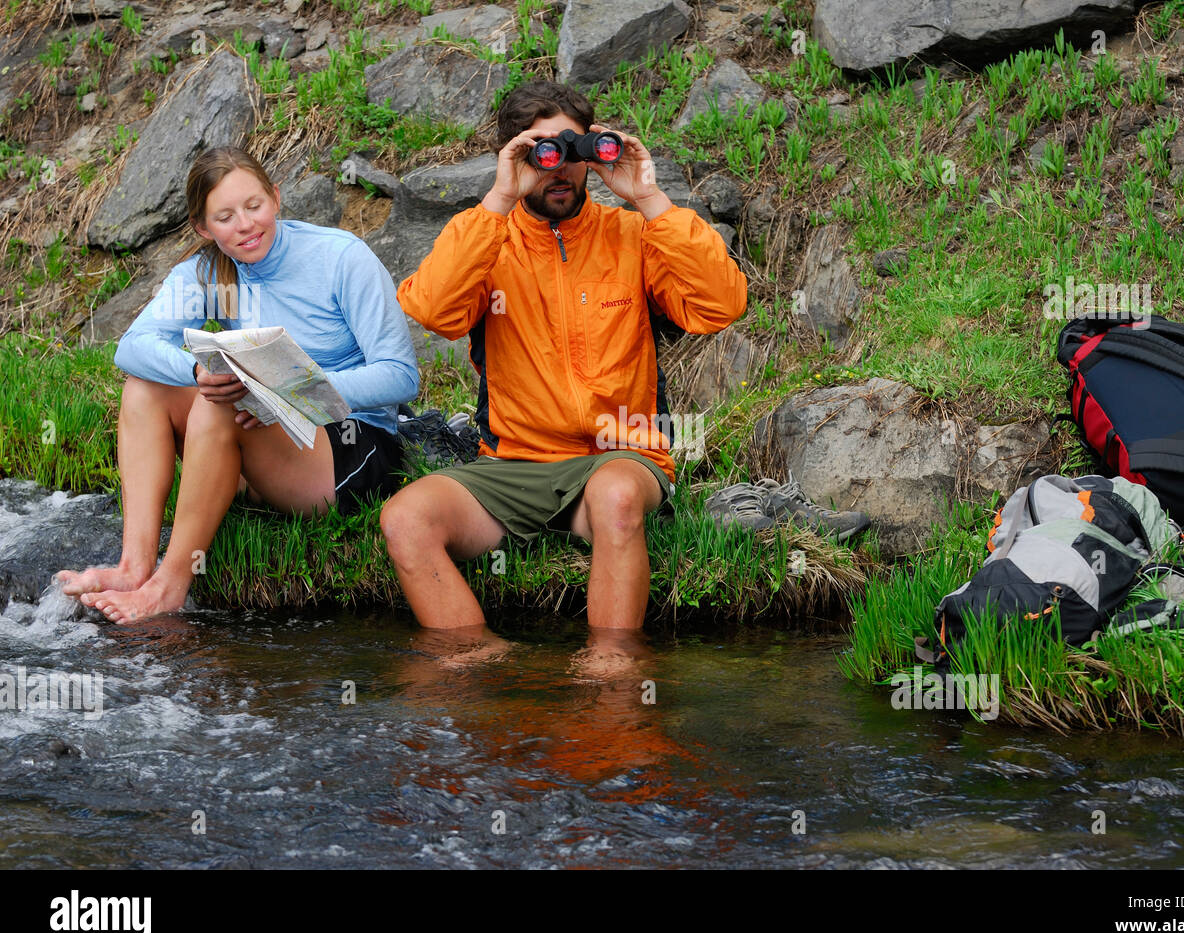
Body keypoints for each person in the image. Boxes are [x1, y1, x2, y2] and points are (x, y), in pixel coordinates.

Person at [382, 80, 747, 632]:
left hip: (619, 457)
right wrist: (500, 200)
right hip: (514, 464)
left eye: (571, 149)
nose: (560, 168)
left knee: (617, 496)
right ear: (514, 156)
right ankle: (476, 668)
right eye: (540, 151)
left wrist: (649, 198)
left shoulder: (632, 234)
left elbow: (720, 305)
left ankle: (612, 680)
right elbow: (434, 310)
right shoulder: (489, 239)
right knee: (405, 519)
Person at [58, 146, 419, 624]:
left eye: (254, 206)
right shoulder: (209, 271)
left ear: (275, 197)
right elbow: (133, 346)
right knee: (144, 387)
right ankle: (133, 566)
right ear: (204, 228)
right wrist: (195, 373)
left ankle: (170, 585)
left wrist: (289, 392)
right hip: (266, 442)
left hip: (350, 445)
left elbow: (401, 375)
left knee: (219, 404)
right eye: (225, 217)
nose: (246, 225)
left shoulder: (340, 257)